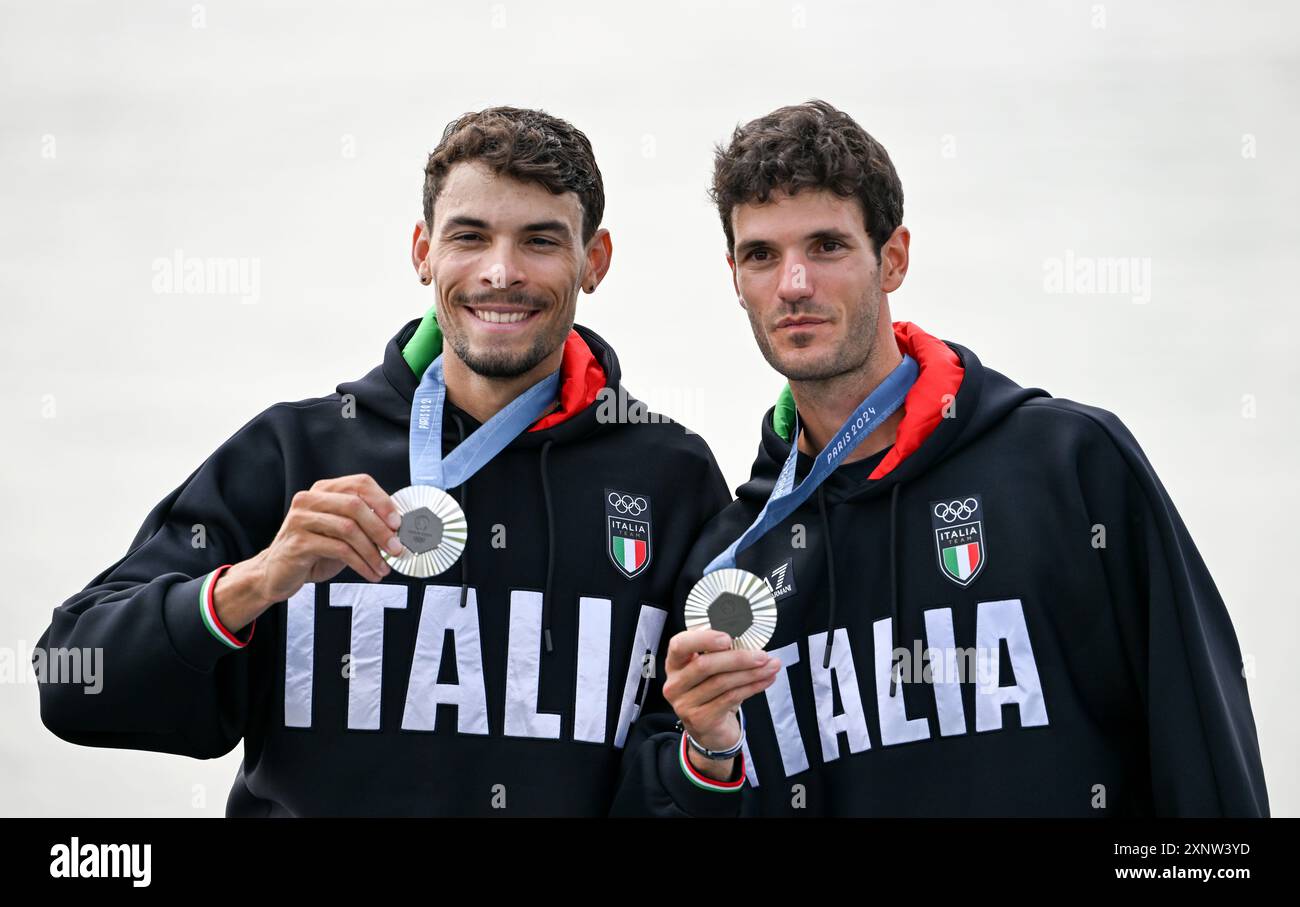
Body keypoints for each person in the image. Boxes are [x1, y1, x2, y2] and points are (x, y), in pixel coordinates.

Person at [35, 106, 731, 817]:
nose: (501, 271)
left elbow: (697, 769)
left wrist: (709, 754)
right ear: (423, 250)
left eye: (540, 240)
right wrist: (253, 583)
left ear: (595, 260)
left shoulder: (669, 476)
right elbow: (70, 682)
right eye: (470, 236)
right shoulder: (296, 452)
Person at [623, 99, 1269, 816]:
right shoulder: (731, 563)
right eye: (762, 255)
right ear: (734, 277)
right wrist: (708, 753)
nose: (794, 285)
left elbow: (1202, 750)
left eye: (827, 247)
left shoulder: (1071, 465)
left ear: (892, 258)